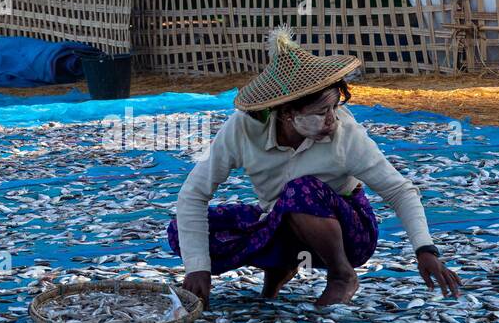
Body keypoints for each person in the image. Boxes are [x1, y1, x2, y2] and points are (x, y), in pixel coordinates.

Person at [169, 27, 461, 307]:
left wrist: (425, 250)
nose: (332, 119)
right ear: (286, 113)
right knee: (182, 231)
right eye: (321, 112)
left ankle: (342, 275)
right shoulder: (243, 129)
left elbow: (399, 191)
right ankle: (282, 264)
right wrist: (198, 268)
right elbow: (194, 194)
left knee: (300, 190)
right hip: (280, 224)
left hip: (350, 234)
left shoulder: (344, 133)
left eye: (334, 107)